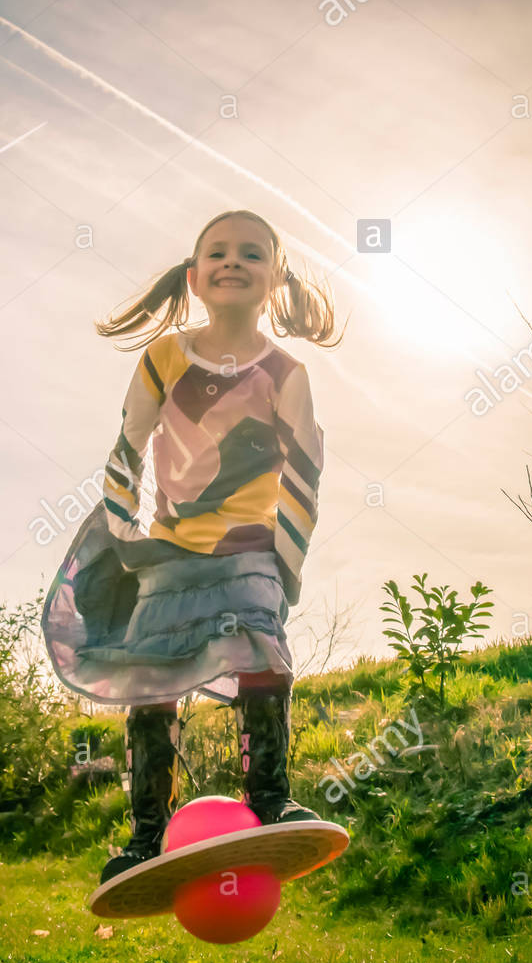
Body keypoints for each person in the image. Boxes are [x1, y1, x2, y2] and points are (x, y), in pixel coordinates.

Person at [41, 209, 343, 885]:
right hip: (169, 558)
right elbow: (126, 453)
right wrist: (124, 539)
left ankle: (270, 802)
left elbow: (304, 470)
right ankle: (146, 839)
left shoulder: (285, 372)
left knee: (264, 660)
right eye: (217, 253)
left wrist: (286, 568)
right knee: (151, 688)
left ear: (275, 279)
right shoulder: (164, 359)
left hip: (250, 554)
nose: (233, 261)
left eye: (251, 254)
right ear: (194, 277)